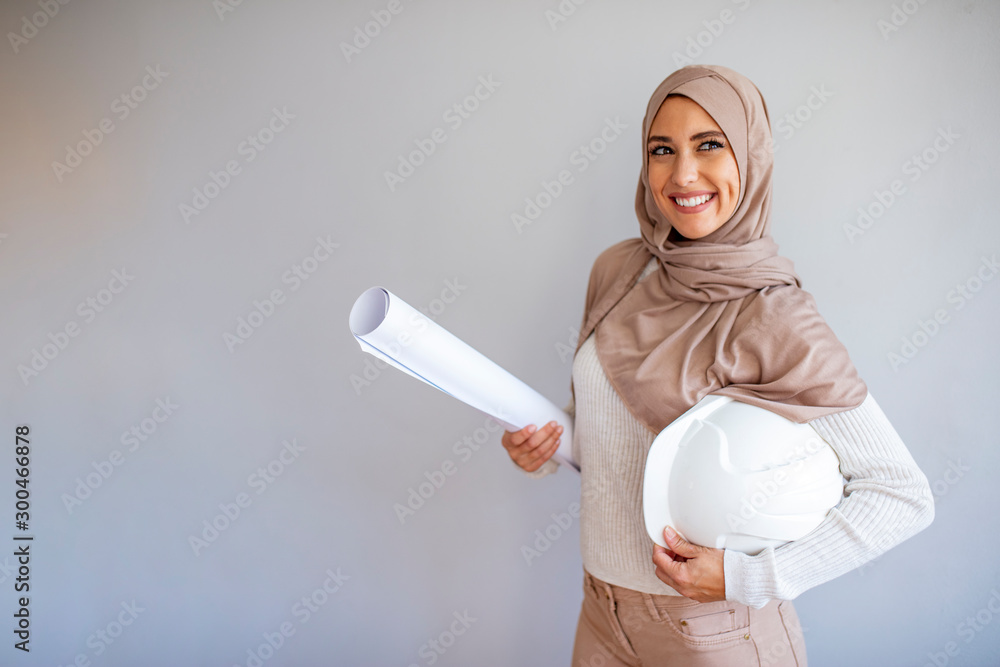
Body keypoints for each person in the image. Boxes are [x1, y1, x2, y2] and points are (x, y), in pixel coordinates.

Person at [501, 65, 935, 666]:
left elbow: (902, 493)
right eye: (662, 149)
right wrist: (547, 449)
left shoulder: (774, 314)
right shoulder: (619, 272)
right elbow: (615, 436)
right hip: (600, 613)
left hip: (717, 634)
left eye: (710, 145)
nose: (682, 174)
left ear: (750, 157)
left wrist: (749, 580)